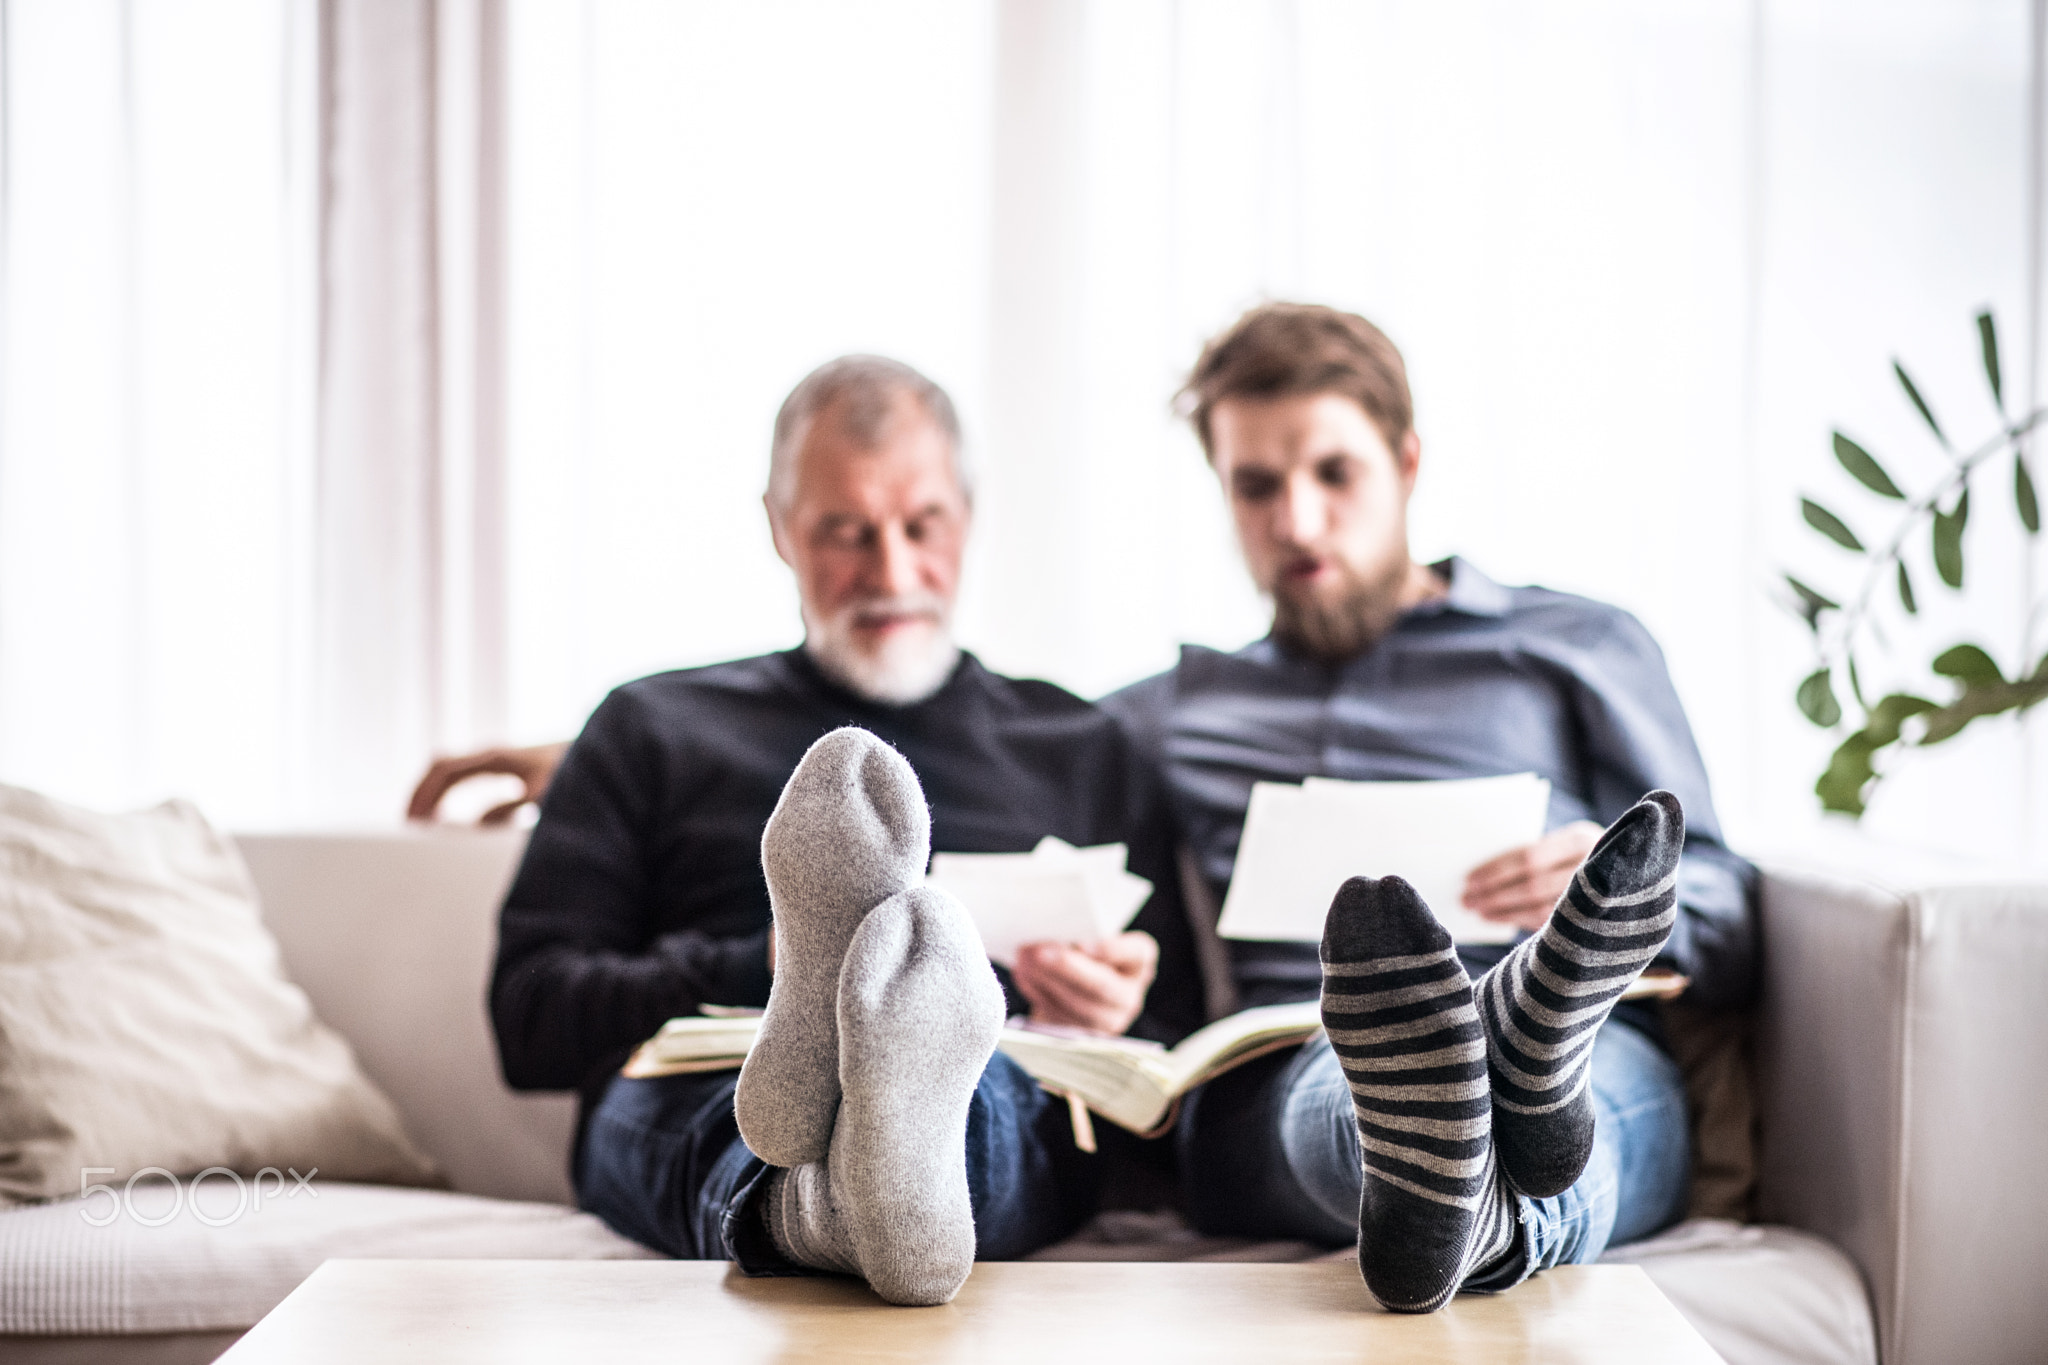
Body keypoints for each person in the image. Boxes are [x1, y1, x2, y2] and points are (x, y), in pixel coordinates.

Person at [484, 355, 1205, 1289]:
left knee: (974, 1086)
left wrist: (1122, 1010)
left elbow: (1181, 1045)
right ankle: (862, 1193)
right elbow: (531, 1016)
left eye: (922, 525)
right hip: (711, 1067)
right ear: (780, 528)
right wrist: (771, 963)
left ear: (969, 517)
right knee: (725, 1101)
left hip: (1002, 1072)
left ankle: (851, 1192)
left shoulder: (1078, 745)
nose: (891, 570)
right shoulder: (653, 727)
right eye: (844, 531)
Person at [1102, 302, 1756, 1309]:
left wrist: (1599, 875)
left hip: (1587, 1041)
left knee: (1580, 1086)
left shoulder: (1570, 646)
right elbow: (1074, 885)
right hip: (1293, 1054)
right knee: (1336, 1087)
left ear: (1406, 466)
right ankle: (1474, 1152)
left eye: (1333, 474)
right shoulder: (1169, 715)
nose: (1297, 521)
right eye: (1255, 486)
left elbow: (1723, 901)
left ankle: (1514, 1052)